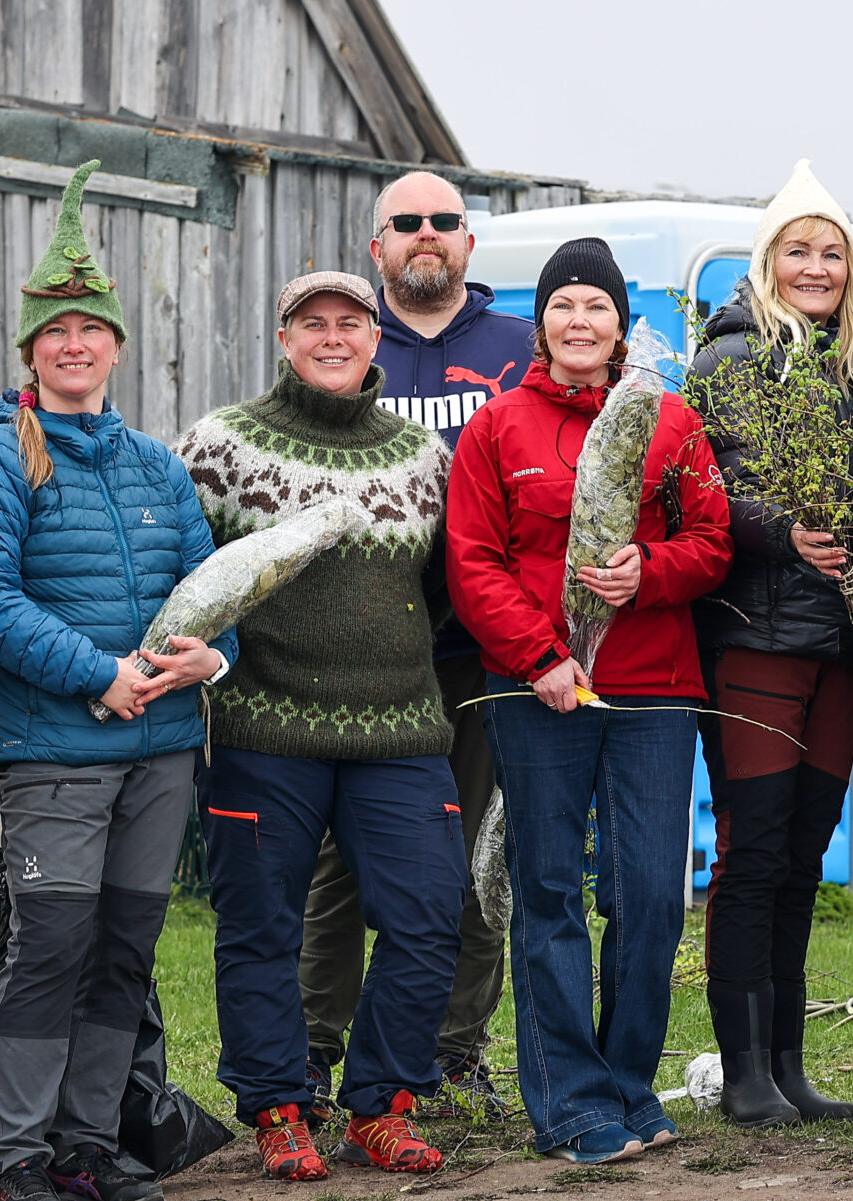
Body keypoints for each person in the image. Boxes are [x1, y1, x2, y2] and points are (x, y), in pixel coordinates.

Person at [0, 162, 236, 1201]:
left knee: (123, 947)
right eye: (54, 332)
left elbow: (214, 590)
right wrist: (98, 673)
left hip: (161, 752)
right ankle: (13, 1156)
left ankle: (88, 1142)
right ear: (31, 353)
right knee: (51, 945)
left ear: (116, 345)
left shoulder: (159, 467)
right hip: (53, 750)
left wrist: (213, 658)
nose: (74, 345)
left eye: (91, 329)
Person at [445, 238, 733, 1162]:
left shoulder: (671, 422)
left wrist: (649, 570)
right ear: (541, 322)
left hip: (653, 687)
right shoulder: (499, 429)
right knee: (551, 887)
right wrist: (539, 657)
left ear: (618, 326)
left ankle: (628, 1078)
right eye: (564, 305)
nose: (580, 322)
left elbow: (713, 543)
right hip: (540, 691)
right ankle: (569, 1100)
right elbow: (473, 561)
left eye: (597, 307)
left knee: (651, 894)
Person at [182, 270, 472, 1181]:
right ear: (284, 336)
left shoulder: (425, 458)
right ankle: (277, 1104)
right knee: (260, 925)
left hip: (399, 735)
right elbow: (181, 577)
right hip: (264, 728)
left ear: (377, 340)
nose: (335, 337)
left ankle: (380, 1103)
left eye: (353, 323)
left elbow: (445, 590)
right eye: (315, 324)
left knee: (430, 915)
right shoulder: (218, 447)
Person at [297, 170, 534, 1121]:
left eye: (445, 220)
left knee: (476, 858)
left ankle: (454, 1051)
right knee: (342, 862)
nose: (426, 234)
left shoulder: (519, 349)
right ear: (378, 245)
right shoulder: (346, 343)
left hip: (484, 655)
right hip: (364, 658)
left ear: (469, 244)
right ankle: (315, 1045)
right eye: (407, 223)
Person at [688, 159, 853, 1128]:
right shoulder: (727, 359)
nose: (817, 268)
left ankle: (789, 1064)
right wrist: (780, 529)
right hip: (757, 634)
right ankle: (742, 1074)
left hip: (840, 643)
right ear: (770, 261)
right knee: (753, 848)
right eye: (799, 251)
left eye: (832, 253)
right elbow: (699, 491)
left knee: (804, 853)